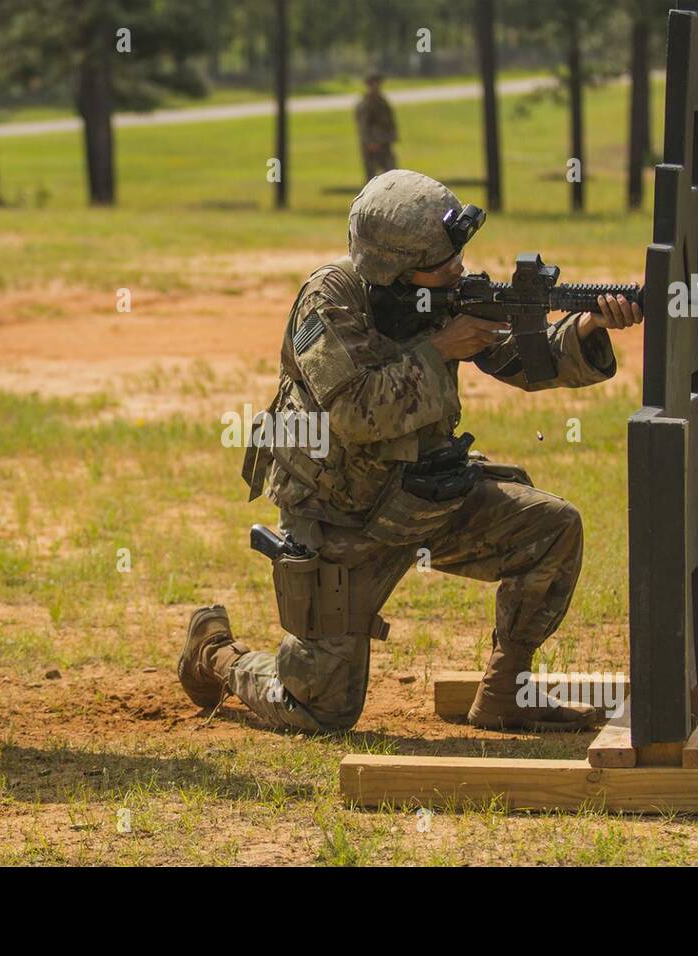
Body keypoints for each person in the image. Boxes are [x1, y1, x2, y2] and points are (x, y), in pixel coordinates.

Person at [179, 169, 643, 735]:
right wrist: (441, 348)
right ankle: (217, 656)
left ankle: (506, 694)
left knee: (550, 528)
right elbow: (354, 410)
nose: (459, 270)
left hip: (424, 498)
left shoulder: (445, 297)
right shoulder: (329, 301)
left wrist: (589, 324)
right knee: (320, 712)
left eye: (458, 256)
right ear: (392, 270)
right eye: (442, 262)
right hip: (340, 521)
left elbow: (523, 361)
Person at [354, 72, 397, 182]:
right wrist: (369, 142)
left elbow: (389, 120)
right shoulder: (365, 103)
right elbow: (363, 125)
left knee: (392, 174)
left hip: (384, 142)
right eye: (374, 83)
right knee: (371, 178)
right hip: (372, 144)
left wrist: (391, 136)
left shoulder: (381, 100)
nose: (377, 85)